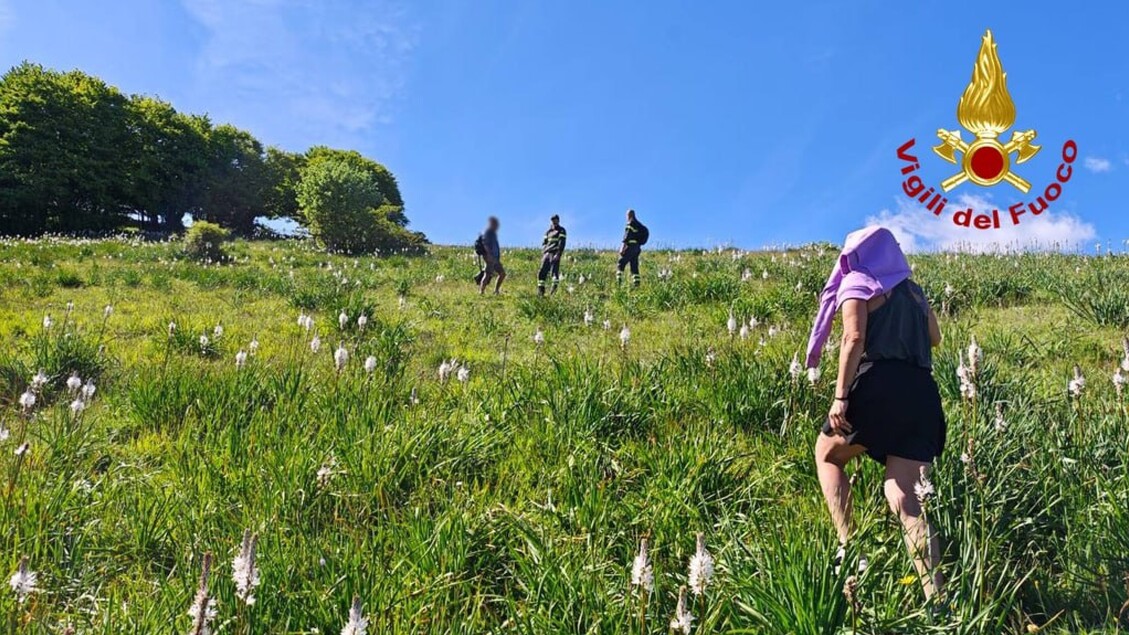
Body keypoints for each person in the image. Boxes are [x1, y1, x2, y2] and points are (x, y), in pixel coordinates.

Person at [806, 226, 945, 602]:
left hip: (879, 386)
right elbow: (935, 338)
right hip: (922, 393)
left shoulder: (857, 281)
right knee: (906, 501)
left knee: (827, 454)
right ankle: (938, 601)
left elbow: (853, 338)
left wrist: (840, 397)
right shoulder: (914, 292)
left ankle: (849, 547)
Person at [537, 214, 567, 296]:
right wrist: (544, 253)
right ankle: (541, 292)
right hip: (546, 254)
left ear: (558, 220)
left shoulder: (561, 230)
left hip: (554, 253)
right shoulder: (548, 232)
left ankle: (553, 293)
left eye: (555, 219)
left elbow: (562, 243)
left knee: (554, 273)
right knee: (541, 272)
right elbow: (544, 243)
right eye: (552, 220)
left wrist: (558, 254)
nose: (554, 221)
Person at [616, 209, 647, 287]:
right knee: (634, 266)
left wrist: (622, 248)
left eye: (627, 215)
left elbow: (627, 236)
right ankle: (637, 285)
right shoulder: (639, 225)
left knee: (621, 263)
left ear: (629, 215)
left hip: (630, 246)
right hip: (637, 248)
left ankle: (619, 283)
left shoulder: (630, 223)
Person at [477, 216, 505, 295]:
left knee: (502, 273)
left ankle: (496, 290)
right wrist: (489, 254)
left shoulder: (493, 233)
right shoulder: (488, 232)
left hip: (495, 258)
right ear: (492, 223)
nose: (497, 226)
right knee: (487, 274)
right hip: (490, 258)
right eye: (496, 224)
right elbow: (485, 243)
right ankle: (481, 291)